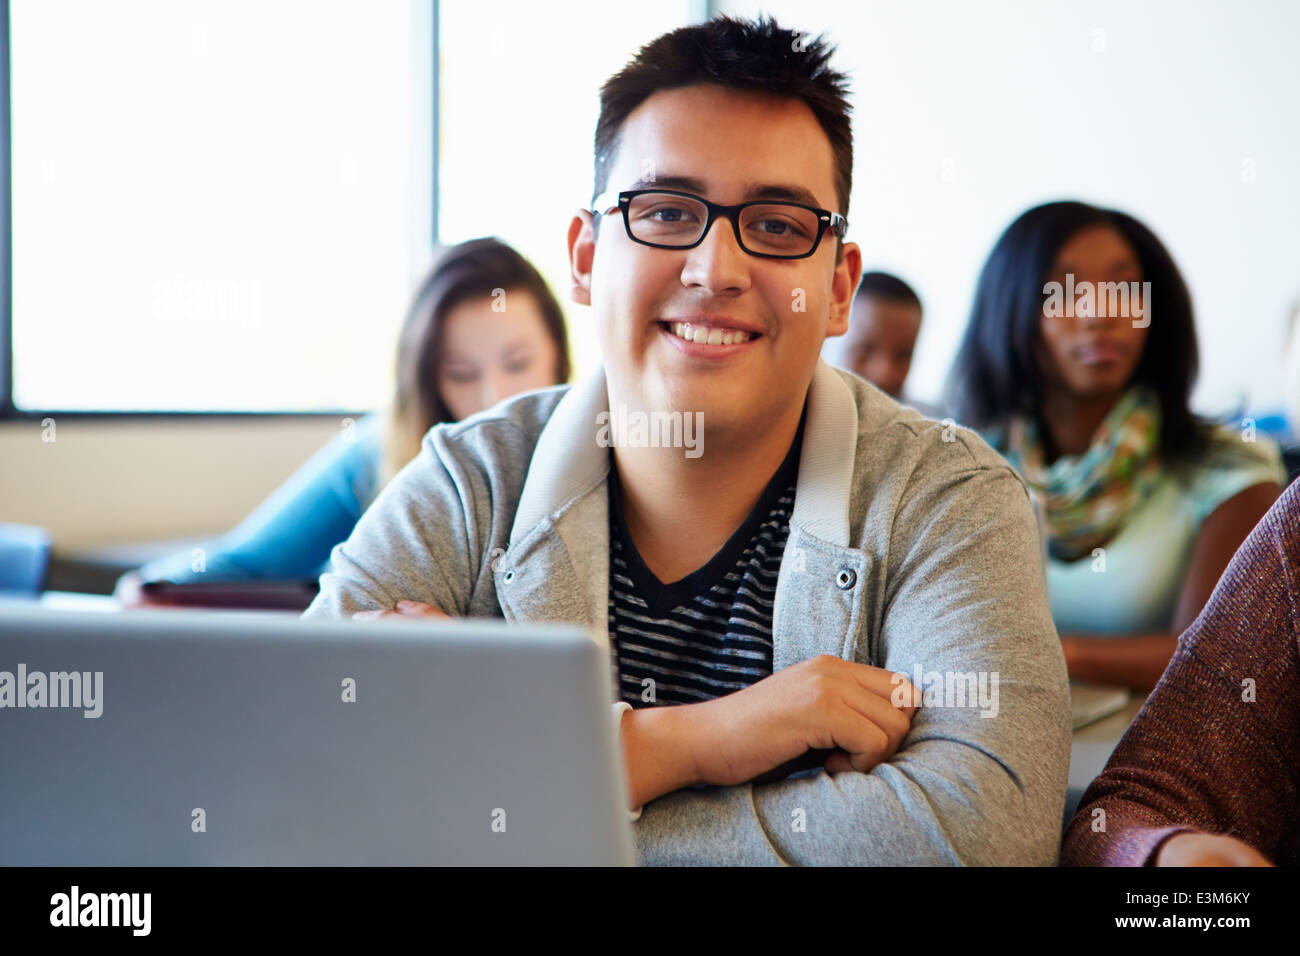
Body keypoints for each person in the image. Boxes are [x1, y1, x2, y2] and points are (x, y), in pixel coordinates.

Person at [303, 15, 1070, 866]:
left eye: (778, 226)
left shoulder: (949, 498)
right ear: (586, 260)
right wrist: (691, 742)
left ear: (839, 288)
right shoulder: (470, 481)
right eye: (666, 212)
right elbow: (291, 770)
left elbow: (980, 839)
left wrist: (514, 795)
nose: (717, 270)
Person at [114, 238, 571, 605]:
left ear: (558, 355)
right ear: (430, 383)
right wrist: (151, 587)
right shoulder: (378, 455)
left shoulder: (600, 454)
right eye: (461, 374)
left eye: (517, 362)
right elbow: (249, 563)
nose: (494, 398)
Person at [945, 201, 1286, 692]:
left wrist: (1042, 652)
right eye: (1063, 291)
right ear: (1011, 310)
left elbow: (1213, 655)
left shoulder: (1230, 473)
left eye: (1125, 289)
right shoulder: (962, 468)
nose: (1099, 313)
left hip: (1156, 762)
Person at [1061, 476, 1300, 867]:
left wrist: (1060, 653)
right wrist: (1170, 854)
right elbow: (1134, 808)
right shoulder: (998, 466)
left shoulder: (1230, 475)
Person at [822, 271, 936, 414]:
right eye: (865, 350)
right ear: (824, 342)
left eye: (903, 356)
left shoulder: (933, 426)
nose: (884, 374)